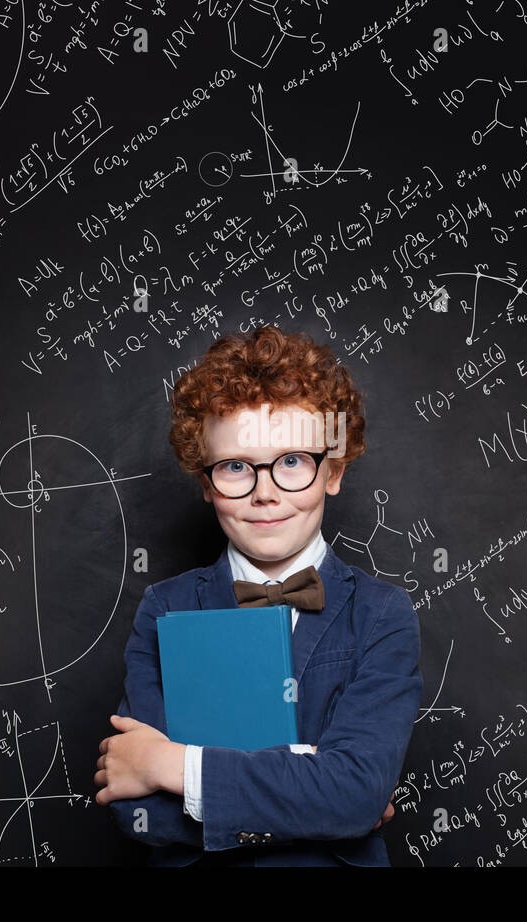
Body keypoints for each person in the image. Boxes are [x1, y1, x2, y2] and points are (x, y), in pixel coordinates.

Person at [92, 325, 423, 866]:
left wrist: (174, 766)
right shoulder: (163, 609)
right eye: (236, 467)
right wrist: (315, 787)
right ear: (207, 483)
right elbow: (139, 811)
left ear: (333, 471)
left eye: (292, 461)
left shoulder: (383, 615)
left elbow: (355, 798)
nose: (265, 492)